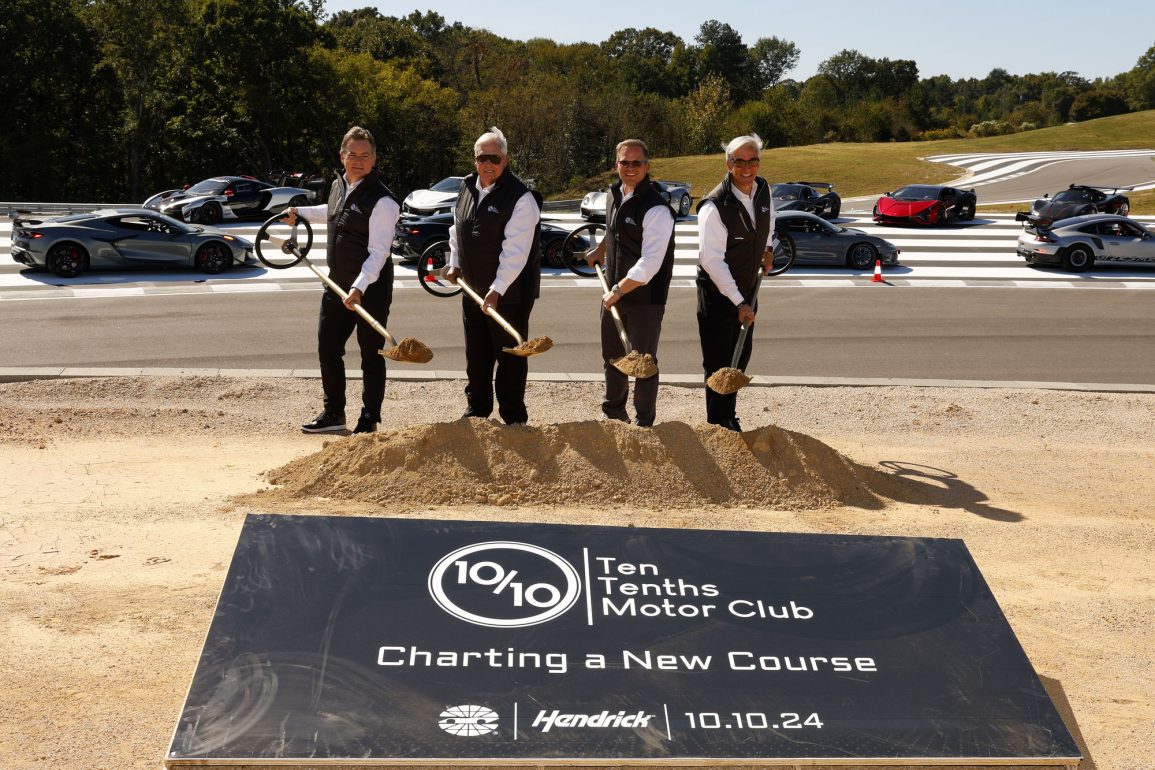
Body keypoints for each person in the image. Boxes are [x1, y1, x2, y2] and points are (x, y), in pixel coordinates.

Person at [282, 126, 400, 434]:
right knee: (328, 349)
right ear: (342, 156)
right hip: (336, 284)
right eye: (352, 154)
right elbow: (333, 211)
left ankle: (369, 418)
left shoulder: (384, 201)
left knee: (371, 355)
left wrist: (359, 287)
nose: (358, 161)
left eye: (365, 155)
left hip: (370, 288)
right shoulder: (338, 186)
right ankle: (334, 413)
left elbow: (379, 253)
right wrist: (299, 212)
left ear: (374, 159)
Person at [444, 127, 542, 425]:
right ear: (474, 160)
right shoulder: (466, 187)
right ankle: (477, 410)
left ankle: (514, 417)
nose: (488, 164)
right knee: (477, 355)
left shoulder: (521, 198)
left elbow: (516, 252)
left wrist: (497, 289)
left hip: (509, 295)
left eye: (495, 158)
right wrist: (454, 263)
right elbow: (457, 230)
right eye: (482, 158)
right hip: (472, 290)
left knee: (509, 357)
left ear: (505, 159)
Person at [585, 139, 676, 427]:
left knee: (643, 362)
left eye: (637, 163)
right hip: (615, 291)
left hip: (645, 298)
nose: (630, 167)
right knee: (613, 357)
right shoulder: (614, 194)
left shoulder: (656, 208)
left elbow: (650, 262)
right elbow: (614, 230)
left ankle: (644, 421)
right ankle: (614, 412)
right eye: (625, 162)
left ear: (647, 166)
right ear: (617, 165)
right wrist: (601, 250)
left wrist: (617, 290)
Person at [695, 134, 777, 432]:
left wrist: (768, 249)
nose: (746, 168)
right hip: (718, 293)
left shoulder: (763, 189)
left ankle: (729, 415)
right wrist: (739, 302)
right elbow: (711, 261)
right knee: (719, 361)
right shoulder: (714, 206)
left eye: (752, 161)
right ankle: (718, 423)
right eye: (739, 162)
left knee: (740, 356)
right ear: (728, 164)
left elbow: (769, 221)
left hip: (747, 287)